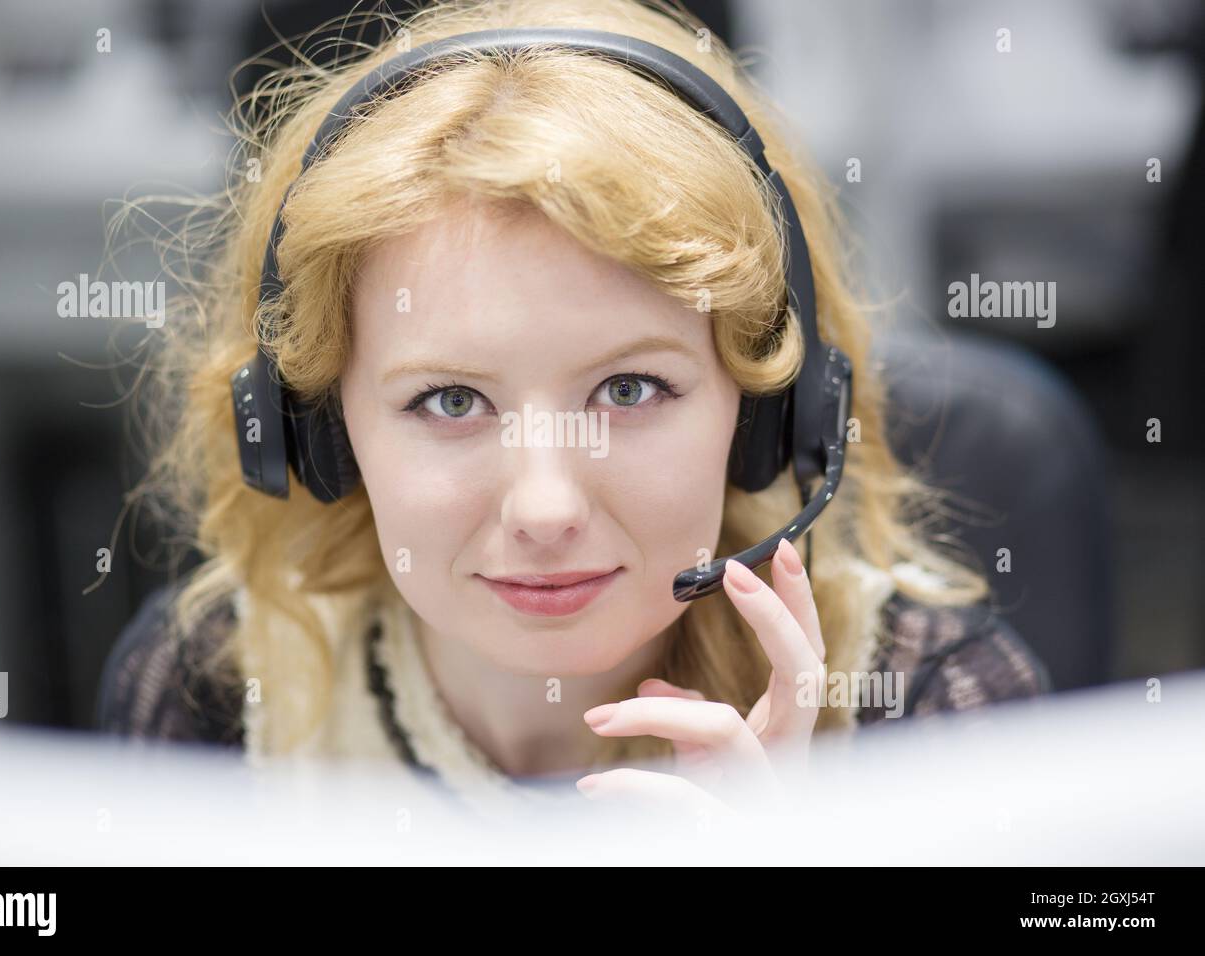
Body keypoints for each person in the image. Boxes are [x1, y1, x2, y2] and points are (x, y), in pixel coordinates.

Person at [97, 0, 1049, 817]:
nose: (545, 510)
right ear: (318, 428)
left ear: (765, 409)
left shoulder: (932, 707)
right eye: (451, 399)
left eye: (628, 391)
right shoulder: (215, 693)